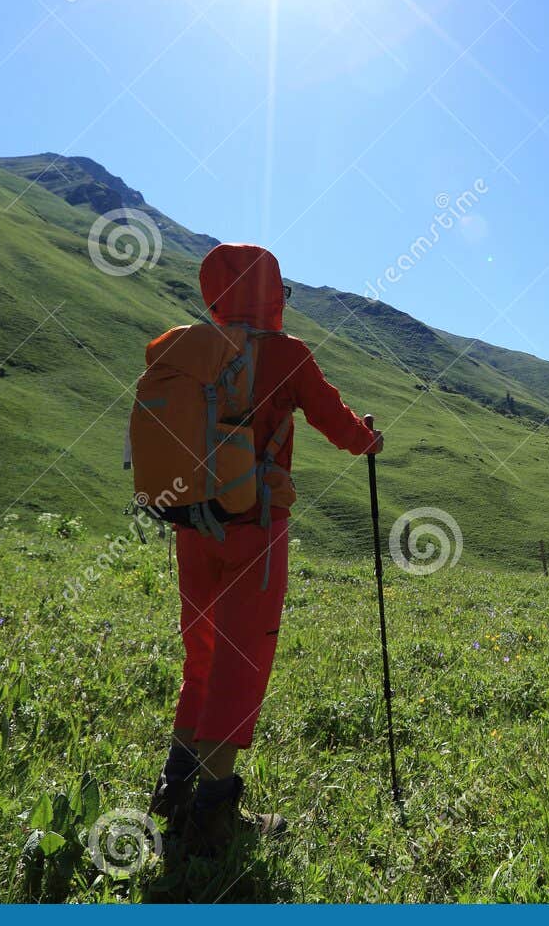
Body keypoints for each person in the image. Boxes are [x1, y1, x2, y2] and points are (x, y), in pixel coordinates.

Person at [149, 243, 382, 854]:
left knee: (200, 654)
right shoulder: (287, 355)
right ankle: (211, 817)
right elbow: (341, 428)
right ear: (271, 292)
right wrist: (368, 437)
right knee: (240, 659)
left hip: (192, 525)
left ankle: (173, 787)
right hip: (256, 529)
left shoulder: (182, 349)